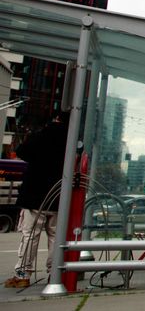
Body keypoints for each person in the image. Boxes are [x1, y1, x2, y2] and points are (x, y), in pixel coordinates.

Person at [6, 111, 68, 289]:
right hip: (58, 195)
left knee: (30, 234)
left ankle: (23, 274)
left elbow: (21, 151)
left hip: (35, 194)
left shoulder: (42, 135)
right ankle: (54, 273)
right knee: (55, 235)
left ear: (56, 119)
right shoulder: (71, 139)